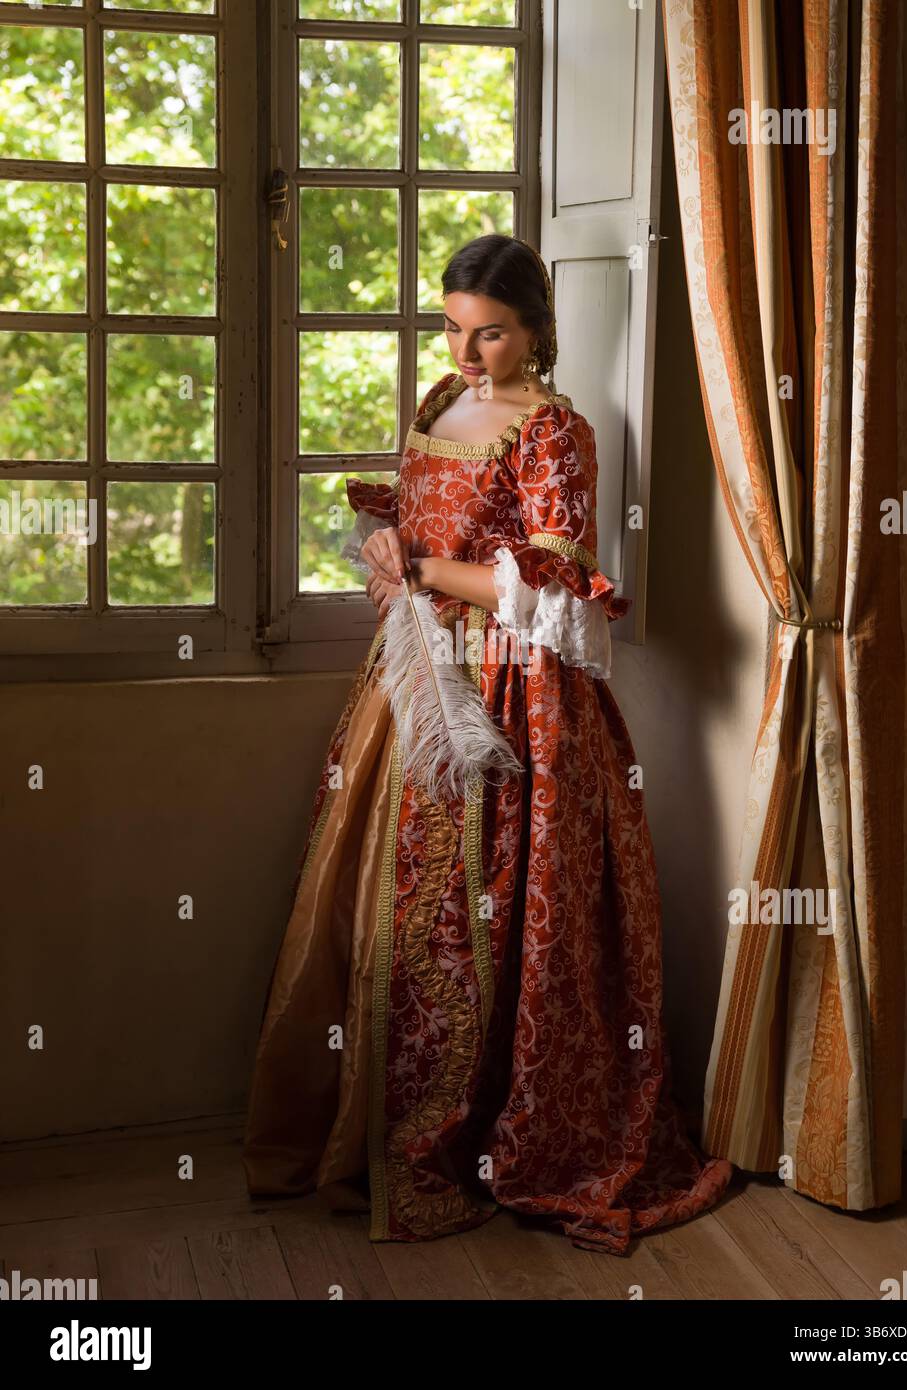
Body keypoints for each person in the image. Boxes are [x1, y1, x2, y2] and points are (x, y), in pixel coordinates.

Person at [242, 233, 733, 1256]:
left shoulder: (557, 431)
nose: (467, 355)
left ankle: (504, 1133)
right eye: (455, 329)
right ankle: (389, 1124)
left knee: (511, 907)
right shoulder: (436, 406)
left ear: (536, 331)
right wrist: (391, 554)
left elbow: (551, 591)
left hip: (517, 692)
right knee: (391, 905)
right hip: (418, 675)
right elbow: (411, 536)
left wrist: (423, 570)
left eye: (491, 334)